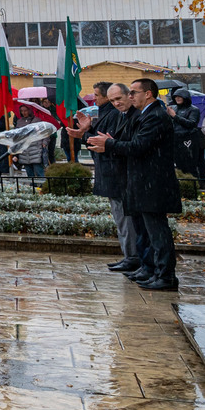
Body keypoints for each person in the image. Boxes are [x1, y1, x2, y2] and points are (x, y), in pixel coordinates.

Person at [88, 78, 181, 291]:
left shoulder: (155, 115)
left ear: (148, 93)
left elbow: (139, 146)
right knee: (148, 232)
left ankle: (165, 275)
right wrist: (109, 142)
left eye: (133, 92)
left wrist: (110, 144)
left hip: (153, 182)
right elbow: (130, 142)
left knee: (158, 233)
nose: (130, 97)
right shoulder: (145, 114)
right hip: (142, 182)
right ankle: (153, 270)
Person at [68, 83, 139, 275]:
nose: (95, 99)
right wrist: (84, 133)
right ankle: (130, 255)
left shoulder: (115, 115)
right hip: (111, 173)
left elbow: (107, 142)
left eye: (98, 96)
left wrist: (87, 134)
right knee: (121, 218)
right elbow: (100, 142)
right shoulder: (108, 114)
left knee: (125, 219)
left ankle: (133, 257)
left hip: (116, 174)